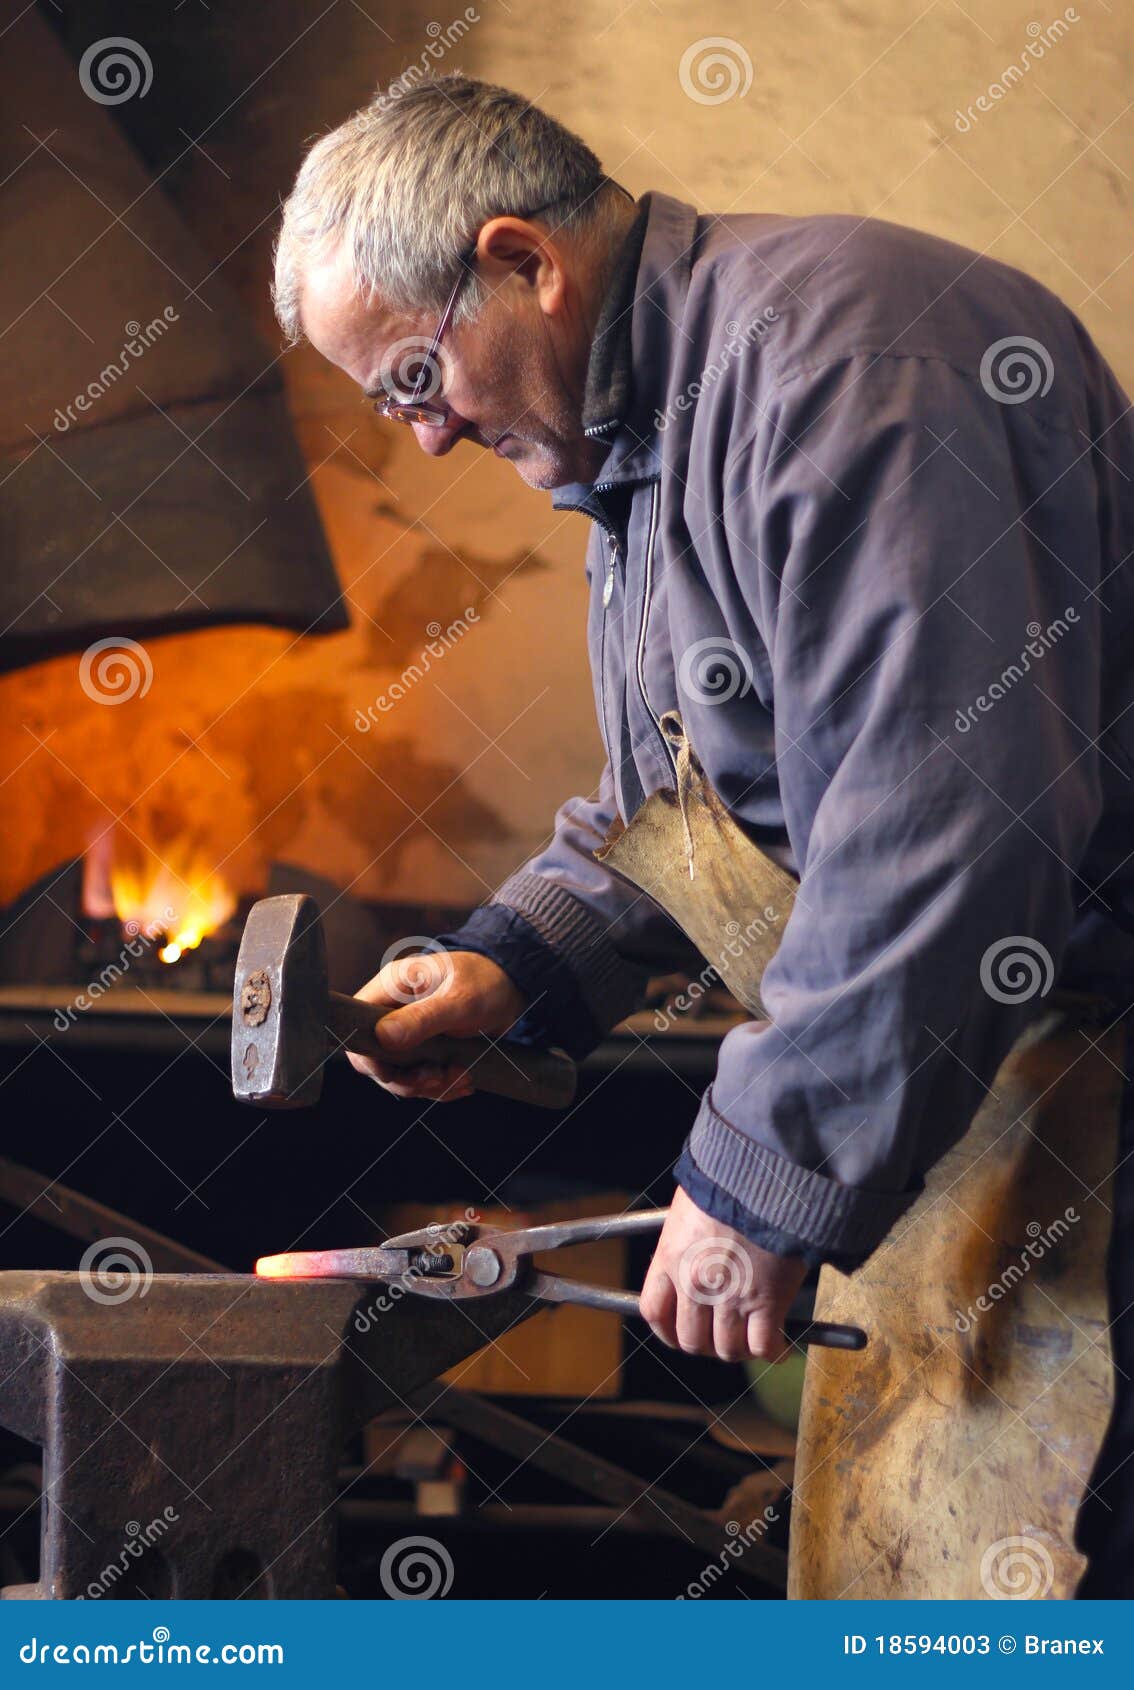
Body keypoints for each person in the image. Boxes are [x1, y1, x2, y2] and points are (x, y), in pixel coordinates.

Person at [273, 75, 1134, 1590]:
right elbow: (691, 798)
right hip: (987, 1092)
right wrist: (512, 962)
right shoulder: (655, 439)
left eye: (414, 381)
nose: (418, 440)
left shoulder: (848, 366)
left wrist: (754, 1179)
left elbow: (943, 824)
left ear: (522, 262)